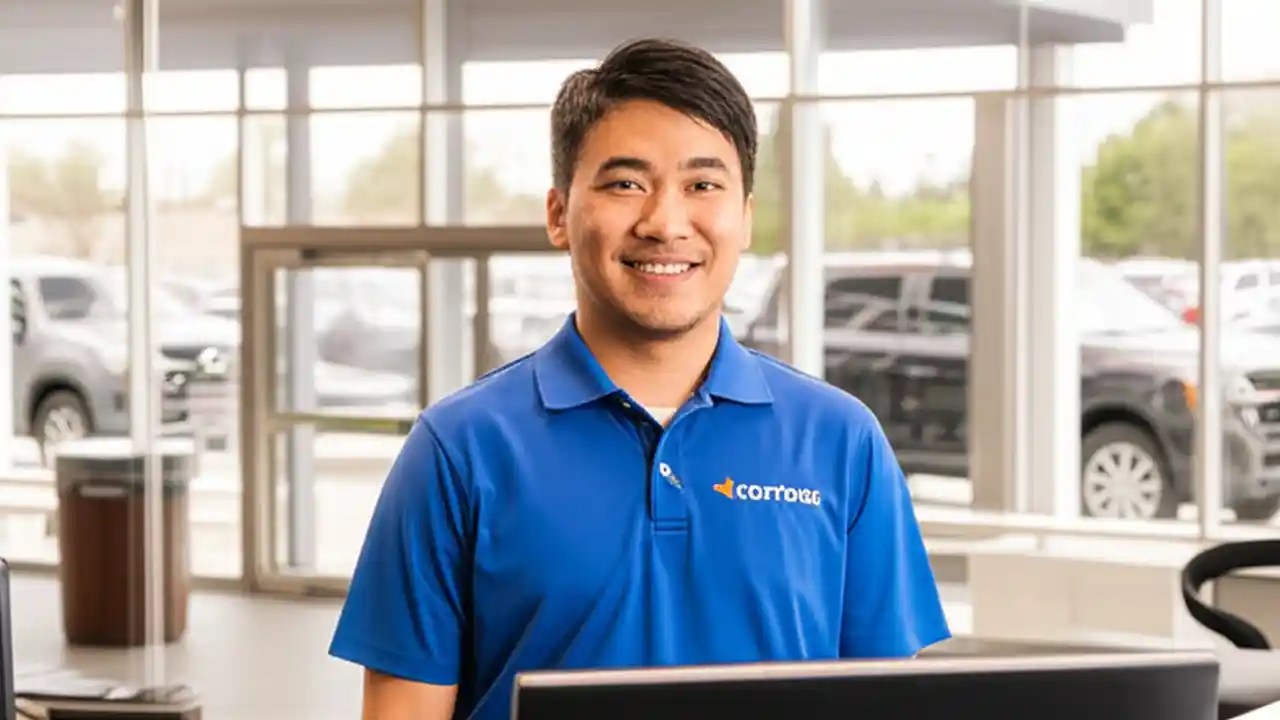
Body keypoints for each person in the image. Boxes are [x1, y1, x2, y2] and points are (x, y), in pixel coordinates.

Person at [329, 37, 951, 720]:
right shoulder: (458, 448)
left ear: (744, 217)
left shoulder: (840, 441)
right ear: (559, 214)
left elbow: (885, 698)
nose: (664, 222)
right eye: (626, 183)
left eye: (703, 185)